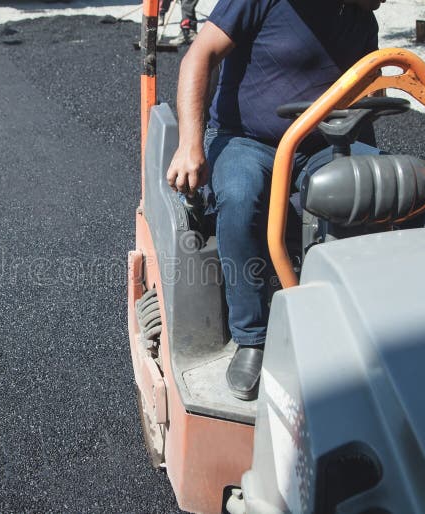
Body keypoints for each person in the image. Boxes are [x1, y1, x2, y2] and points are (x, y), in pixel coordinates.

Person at [165, 0, 387, 400]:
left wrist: (367, 174)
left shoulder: (362, 22)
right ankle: (252, 337)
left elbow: (367, 102)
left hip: (321, 144)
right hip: (246, 138)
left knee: (378, 189)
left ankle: (348, 324)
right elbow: (199, 56)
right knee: (240, 195)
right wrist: (189, 143)